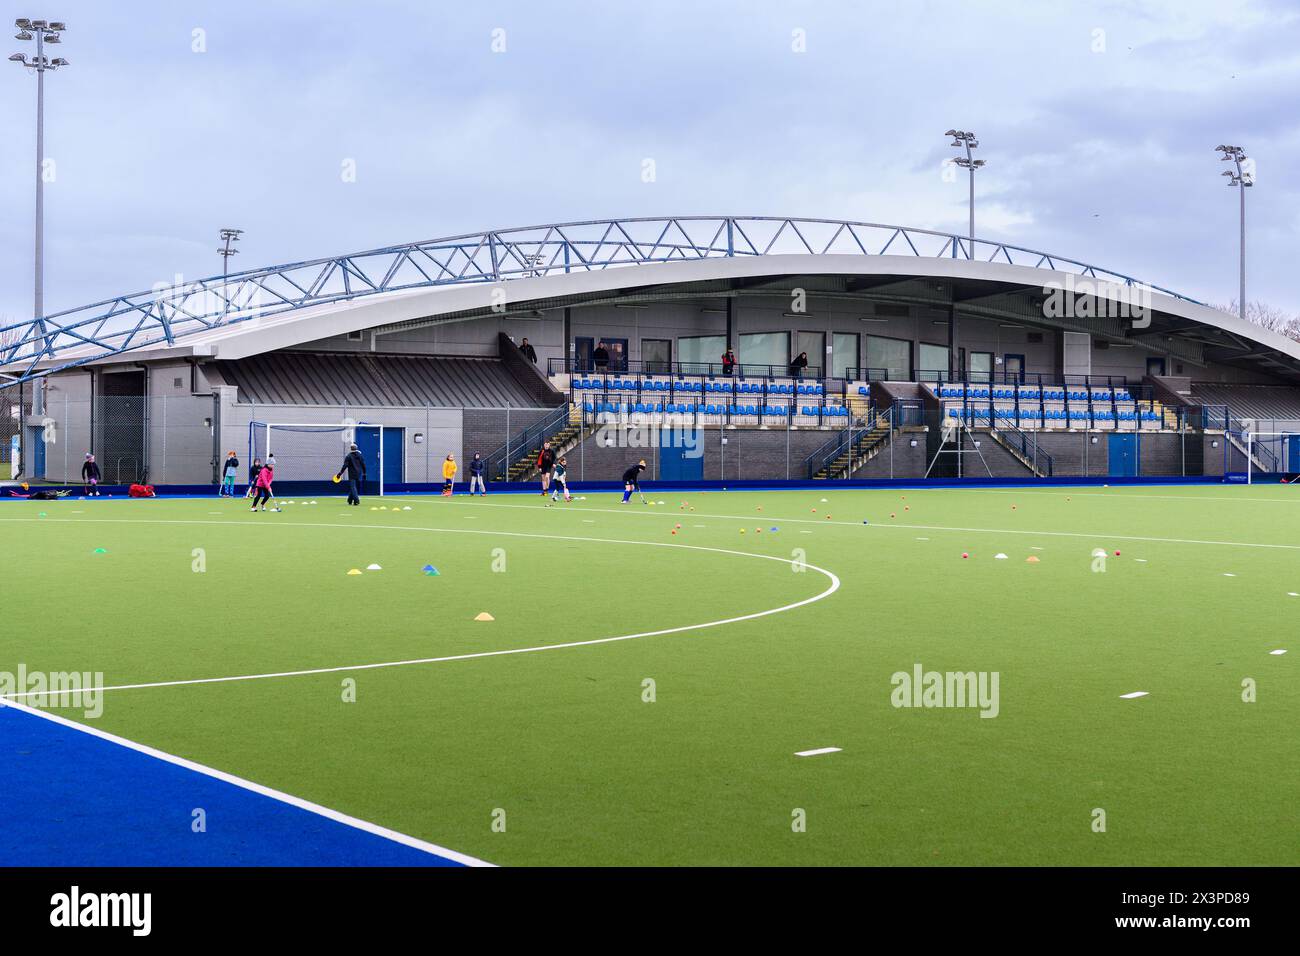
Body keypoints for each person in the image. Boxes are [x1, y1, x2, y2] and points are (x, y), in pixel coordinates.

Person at [335, 442, 367, 506]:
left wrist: (339, 474)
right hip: (359, 473)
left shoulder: (348, 456)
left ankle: (356, 500)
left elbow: (345, 466)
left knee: (353, 487)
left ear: (351, 449)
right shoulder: (360, 455)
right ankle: (349, 500)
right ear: (356, 448)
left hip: (352, 474)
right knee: (354, 488)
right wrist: (364, 473)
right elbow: (363, 465)